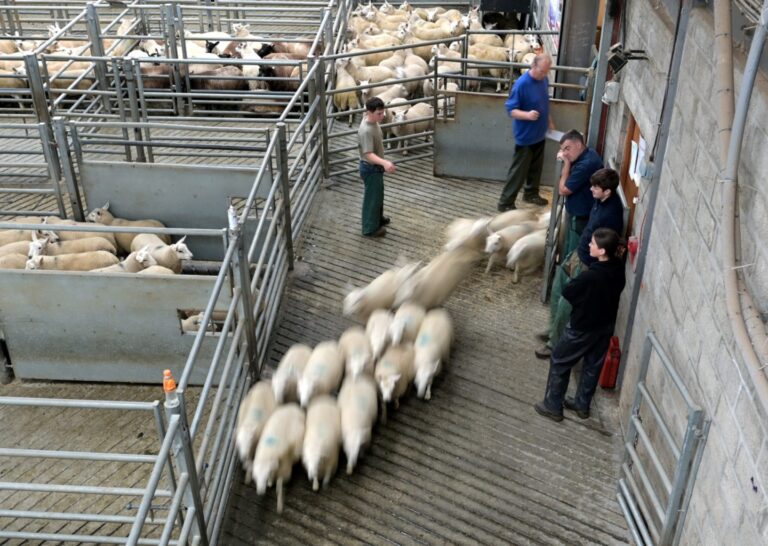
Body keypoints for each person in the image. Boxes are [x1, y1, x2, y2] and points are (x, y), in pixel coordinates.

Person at [533, 227, 626, 422]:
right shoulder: (618, 269)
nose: (589, 245)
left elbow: (568, 292)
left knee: (559, 359)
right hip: (605, 326)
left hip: (582, 326)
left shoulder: (589, 276)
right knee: (592, 364)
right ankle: (582, 405)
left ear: (601, 251)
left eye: (593, 243)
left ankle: (553, 405)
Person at [535, 168, 624, 359]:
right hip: (579, 253)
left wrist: (590, 267)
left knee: (566, 304)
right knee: (558, 289)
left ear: (607, 191)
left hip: (586, 263)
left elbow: (604, 246)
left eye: (595, 187)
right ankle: (552, 330)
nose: (591, 189)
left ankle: (554, 345)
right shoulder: (600, 201)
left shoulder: (610, 215)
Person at [497, 54, 554, 212]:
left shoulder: (543, 80)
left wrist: (549, 120)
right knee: (518, 171)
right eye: (542, 71)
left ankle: (531, 193)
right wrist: (527, 115)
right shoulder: (521, 84)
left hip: (540, 133)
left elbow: (544, 102)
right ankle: (505, 202)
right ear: (533, 66)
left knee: (536, 168)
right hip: (526, 136)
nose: (544, 75)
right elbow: (511, 110)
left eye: (547, 71)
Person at [556, 130, 603, 256]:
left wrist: (566, 164)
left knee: (574, 252)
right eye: (563, 150)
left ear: (578, 145)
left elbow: (563, 190)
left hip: (582, 217)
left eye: (567, 148)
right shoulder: (589, 153)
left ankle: (571, 274)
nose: (565, 153)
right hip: (580, 212)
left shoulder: (586, 165)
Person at [358, 97, 395, 237]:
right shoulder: (366, 130)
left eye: (383, 112)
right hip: (371, 168)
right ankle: (370, 228)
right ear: (370, 113)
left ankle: (377, 219)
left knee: (378, 195)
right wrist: (385, 163)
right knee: (372, 199)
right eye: (379, 113)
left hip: (375, 168)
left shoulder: (371, 120)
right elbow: (368, 154)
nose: (383, 116)